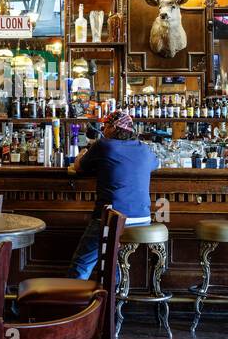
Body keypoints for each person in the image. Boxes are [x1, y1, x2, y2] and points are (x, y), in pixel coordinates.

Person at [66, 110, 159, 280]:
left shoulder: (104, 145)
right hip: (142, 218)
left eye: (105, 126)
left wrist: (81, 154)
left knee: (82, 264)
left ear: (114, 127)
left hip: (113, 217)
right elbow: (154, 164)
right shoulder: (144, 149)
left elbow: (79, 167)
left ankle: (74, 303)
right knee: (111, 260)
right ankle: (112, 302)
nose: (103, 129)